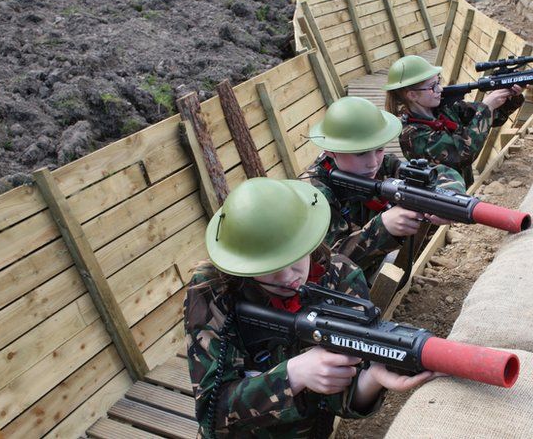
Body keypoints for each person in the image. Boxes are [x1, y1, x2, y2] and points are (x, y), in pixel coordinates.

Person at [185, 177, 436, 438]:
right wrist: (294, 374)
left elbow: (340, 396)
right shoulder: (212, 290)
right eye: (268, 268)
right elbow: (211, 413)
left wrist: (370, 379)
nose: (286, 277)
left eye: (294, 257)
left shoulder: (341, 276)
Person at [304, 96, 464, 279]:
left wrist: (448, 196)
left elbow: (442, 173)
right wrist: (383, 228)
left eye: (379, 149)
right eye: (360, 154)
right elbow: (325, 266)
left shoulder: (383, 165)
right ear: (331, 151)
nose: (373, 163)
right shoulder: (314, 194)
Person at [383, 55, 523, 188]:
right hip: (443, 200)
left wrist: (509, 95)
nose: (440, 89)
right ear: (412, 95)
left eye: (438, 82)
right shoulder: (413, 135)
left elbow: (492, 118)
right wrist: (487, 107)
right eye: (432, 86)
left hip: (464, 190)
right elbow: (464, 154)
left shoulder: (443, 109)